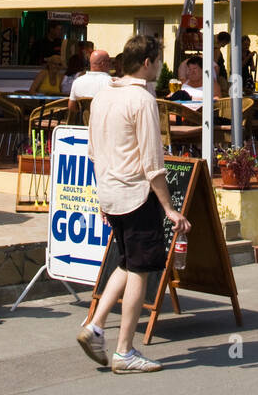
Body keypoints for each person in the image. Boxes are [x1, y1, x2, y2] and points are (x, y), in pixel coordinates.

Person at [76, 34, 190, 373]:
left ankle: (95, 327)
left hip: (110, 191)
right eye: (158, 60)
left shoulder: (102, 96)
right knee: (141, 269)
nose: (160, 66)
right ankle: (125, 350)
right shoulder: (141, 100)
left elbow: (93, 150)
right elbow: (152, 161)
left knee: (126, 263)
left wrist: (101, 192)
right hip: (136, 194)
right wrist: (169, 207)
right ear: (147, 62)